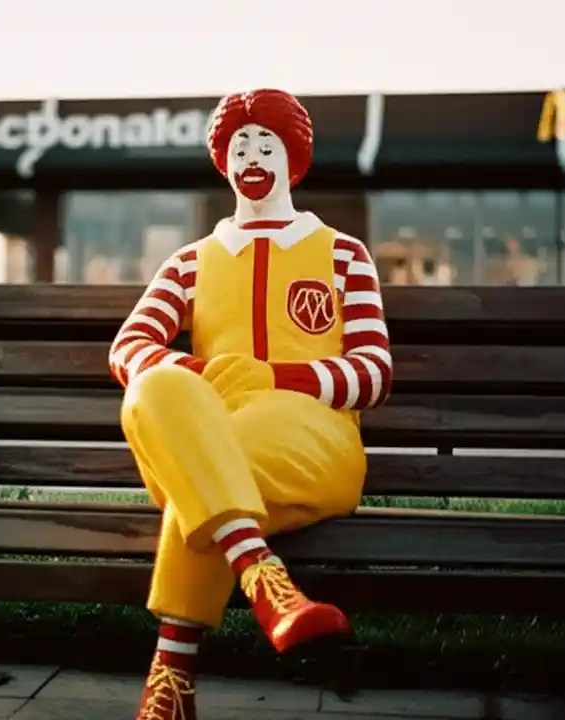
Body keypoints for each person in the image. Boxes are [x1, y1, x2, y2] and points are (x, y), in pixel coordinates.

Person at [108, 89, 394, 720]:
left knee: (198, 479)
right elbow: (129, 347)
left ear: (294, 158)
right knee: (154, 389)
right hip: (212, 433)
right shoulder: (190, 262)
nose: (252, 156)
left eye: (267, 144)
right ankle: (266, 579)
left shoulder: (343, 254)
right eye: (240, 145)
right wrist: (210, 376)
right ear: (222, 161)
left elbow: (372, 373)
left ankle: (171, 677)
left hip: (314, 443)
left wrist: (271, 378)